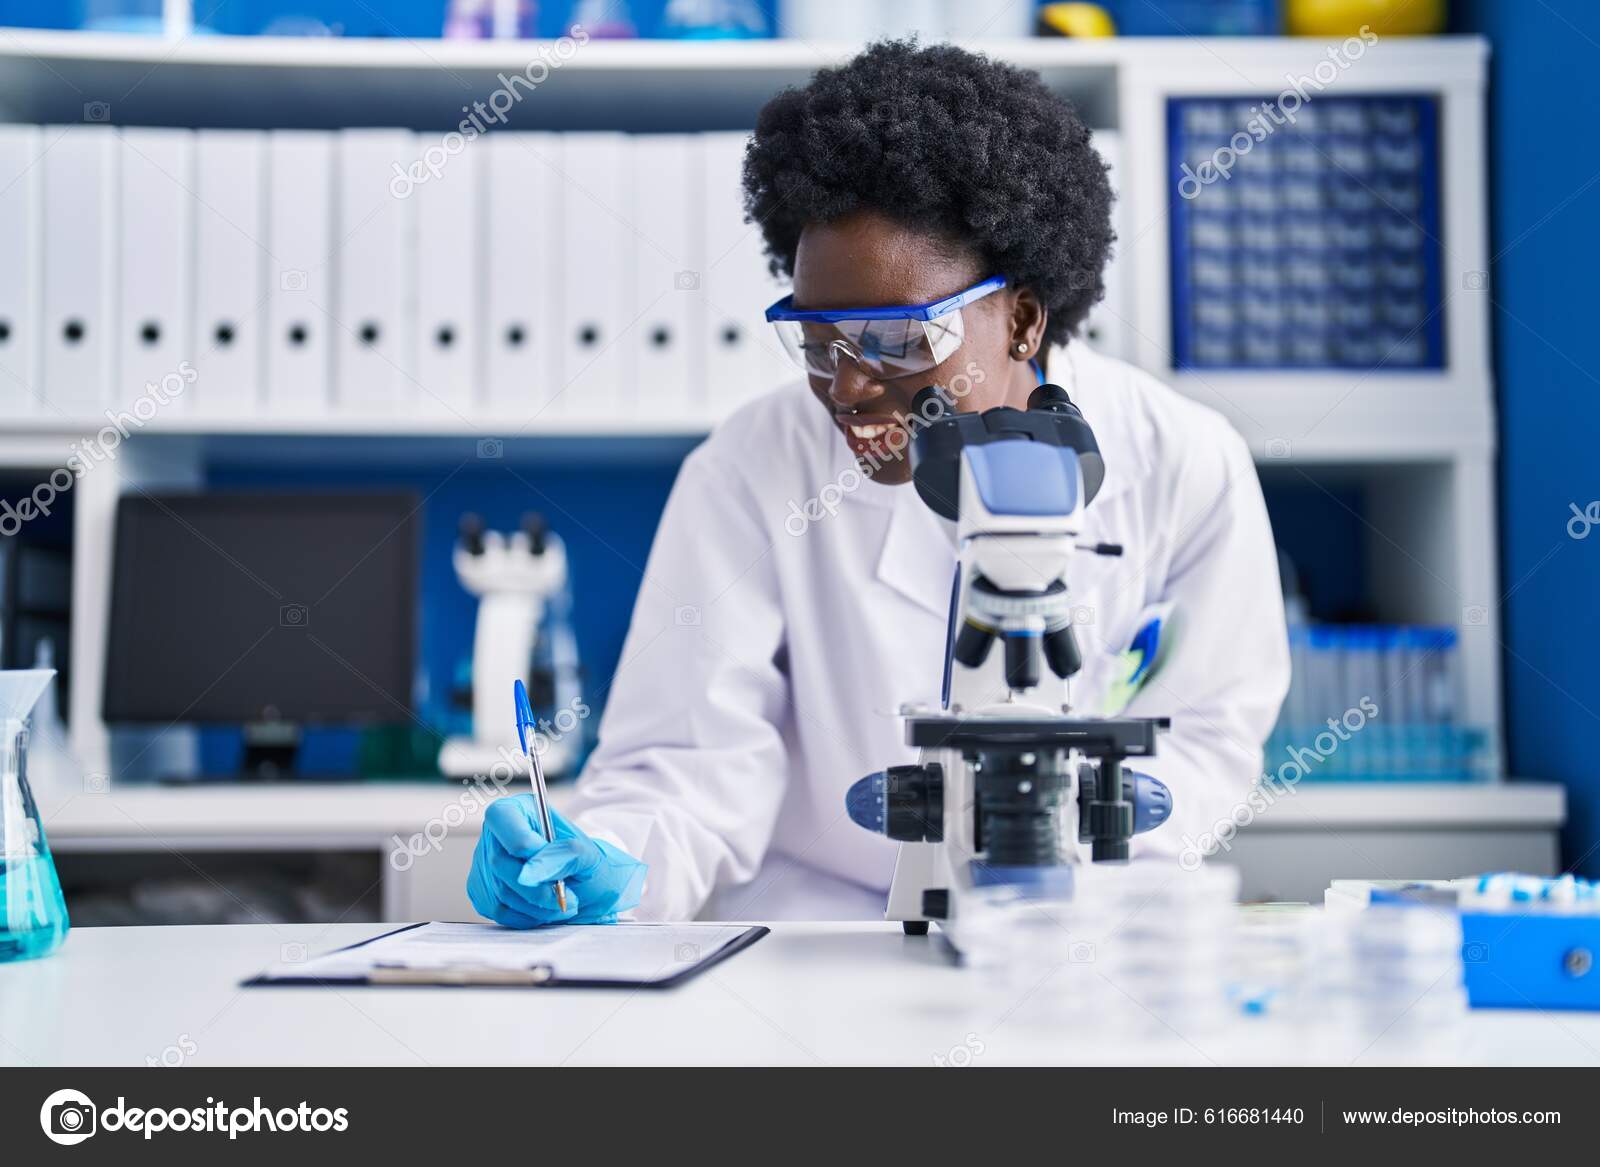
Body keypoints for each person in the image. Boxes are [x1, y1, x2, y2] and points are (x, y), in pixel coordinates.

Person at [467, 40, 1290, 927]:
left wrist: (1055, 847)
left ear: (1020, 318)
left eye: (898, 339)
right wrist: (609, 861)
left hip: (1083, 928)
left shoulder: (1184, 461)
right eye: (820, 340)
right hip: (815, 935)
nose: (848, 386)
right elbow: (682, 765)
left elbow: (1207, 733)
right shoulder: (751, 467)